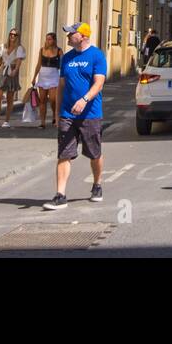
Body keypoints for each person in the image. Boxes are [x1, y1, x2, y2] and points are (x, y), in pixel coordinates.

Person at [44, 23, 107, 210]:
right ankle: (60, 194)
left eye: (72, 33)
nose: (68, 36)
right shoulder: (67, 58)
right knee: (64, 154)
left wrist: (84, 99)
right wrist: (57, 113)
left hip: (90, 113)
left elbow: (99, 83)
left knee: (94, 153)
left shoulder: (97, 55)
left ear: (83, 36)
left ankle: (97, 184)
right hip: (67, 114)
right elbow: (62, 85)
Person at [0, 29, 26, 128]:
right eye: (11, 34)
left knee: (10, 97)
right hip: (3, 71)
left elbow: (19, 61)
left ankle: (6, 120)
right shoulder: (3, 46)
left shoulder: (19, 48)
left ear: (17, 36)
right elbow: (0, 60)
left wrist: (16, 70)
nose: (12, 36)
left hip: (12, 70)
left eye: (15, 35)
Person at [31, 32, 62, 127]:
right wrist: (34, 77)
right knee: (42, 100)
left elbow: (62, 65)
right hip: (43, 77)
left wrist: (62, 78)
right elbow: (38, 64)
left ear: (54, 40)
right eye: (47, 39)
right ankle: (42, 122)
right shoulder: (42, 50)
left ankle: (54, 115)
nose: (48, 41)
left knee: (53, 99)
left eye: (50, 39)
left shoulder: (59, 51)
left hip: (54, 76)